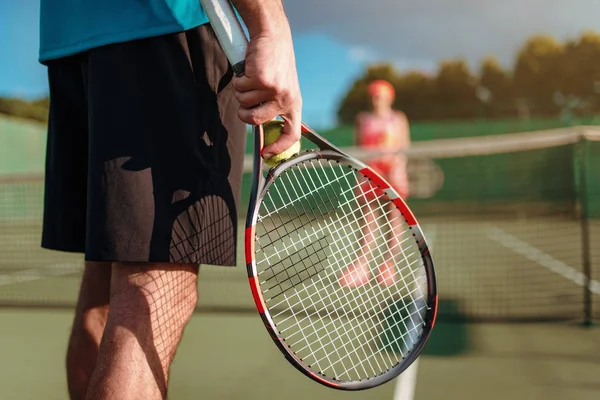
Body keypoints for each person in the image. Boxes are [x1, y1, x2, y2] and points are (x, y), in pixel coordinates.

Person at [38, 1, 302, 399]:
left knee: (103, 287)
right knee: (156, 293)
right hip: (169, 28)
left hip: (69, 41)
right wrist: (269, 27)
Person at [339, 79, 411, 288]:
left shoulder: (398, 118)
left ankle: (388, 265)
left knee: (393, 220)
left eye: (379, 96)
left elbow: (405, 147)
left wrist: (396, 167)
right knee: (367, 220)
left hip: (394, 175)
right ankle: (362, 265)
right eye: (373, 95)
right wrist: (364, 173)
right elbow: (359, 148)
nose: (375, 99)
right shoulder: (362, 119)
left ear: (389, 97)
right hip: (369, 175)